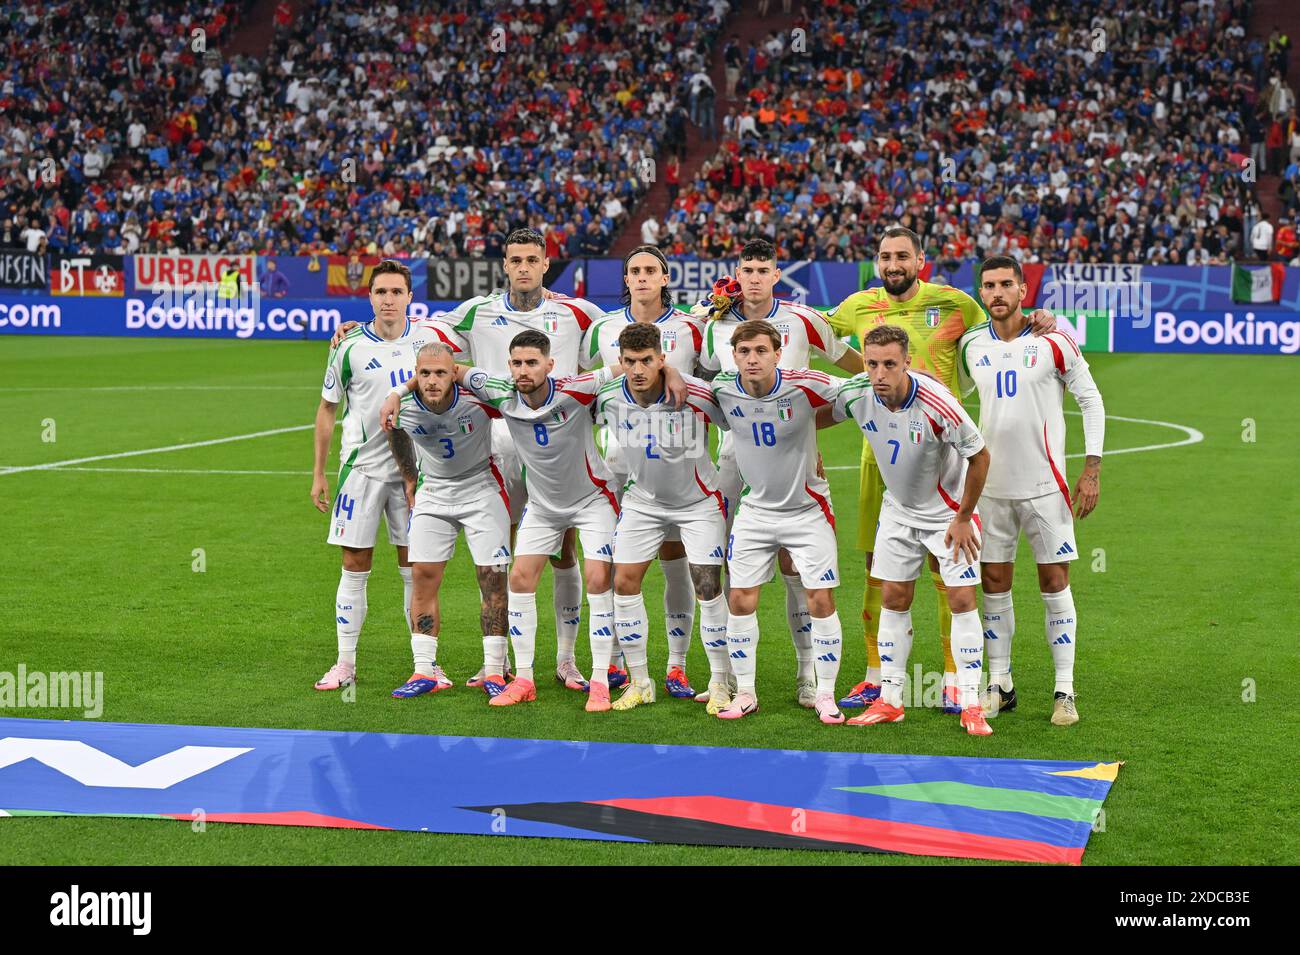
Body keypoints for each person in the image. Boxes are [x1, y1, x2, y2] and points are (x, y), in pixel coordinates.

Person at [363, 229, 608, 692]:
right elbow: (426, 349)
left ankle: (567, 659)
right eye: (514, 259)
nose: (522, 267)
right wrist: (372, 348)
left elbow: (618, 342)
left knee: (564, 550)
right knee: (501, 556)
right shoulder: (476, 311)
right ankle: (500, 661)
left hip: (556, 442)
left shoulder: (578, 312)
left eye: (531, 260)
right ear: (505, 265)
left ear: (545, 263)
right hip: (493, 440)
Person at [827, 226, 1054, 713]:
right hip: (881, 459)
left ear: (921, 260)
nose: (893, 264)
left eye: (902, 256)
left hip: (941, 454)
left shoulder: (956, 303)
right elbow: (817, 335)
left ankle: (955, 677)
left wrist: (1041, 319)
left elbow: (999, 323)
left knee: (946, 573)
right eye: (885, 256)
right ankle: (876, 677)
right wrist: (857, 368)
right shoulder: (858, 305)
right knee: (879, 571)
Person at [421, 332, 685, 711]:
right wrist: (400, 393)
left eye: (532, 363)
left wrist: (672, 370)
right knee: (520, 578)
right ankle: (525, 678)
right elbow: (452, 368)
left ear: (549, 365)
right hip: (544, 506)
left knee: (598, 579)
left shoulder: (577, 388)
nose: (523, 371)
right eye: (517, 363)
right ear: (509, 366)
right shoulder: (500, 391)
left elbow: (626, 368)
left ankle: (599, 680)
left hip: (592, 500)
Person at [697, 237, 863, 707]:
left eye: (761, 269)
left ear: (776, 274)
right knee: (730, 566)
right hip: (734, 456)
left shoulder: (804, 320)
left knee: (796, 569)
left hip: (794, 458)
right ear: (737, 273)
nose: (753, 277)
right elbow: (696, 373)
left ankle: (808, 671)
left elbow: (846, 364)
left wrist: (875, 375)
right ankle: (725, 676)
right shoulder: (713, 321)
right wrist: (705, 308)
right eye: (745, 269)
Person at [959, 256, 1105, 726]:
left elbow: (1091, 399)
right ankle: (1000, 682)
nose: (997, 293)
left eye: (1006, 284)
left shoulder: (1054, 341)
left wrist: (1092, 469)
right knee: (994, 585)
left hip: (1045, 488)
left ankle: (1065, 690)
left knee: (1054, 582)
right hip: (990, 490)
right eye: (989, 285)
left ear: (1023, 290)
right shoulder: (970, 346)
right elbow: (950, 404)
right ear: (981, 293)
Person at [831, 325, 993, 736]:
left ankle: (972, 703)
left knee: (960, 599)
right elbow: (809, 409)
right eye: (871, 364)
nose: (879, 373)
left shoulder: (940, 404)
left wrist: (962, 517)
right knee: (894, 597)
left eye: (889, 364)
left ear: (906, 362)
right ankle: (891, 700)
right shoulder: (856, 392)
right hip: (899, 511)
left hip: (947, 514)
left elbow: (980, 457)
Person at [310, 260, 445, 691]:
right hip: (362, 473)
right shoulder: (348, 347)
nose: (388, 299)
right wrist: (318, 473)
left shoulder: (429, 340)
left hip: (418, 475)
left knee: (416, 569)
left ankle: (425, 665)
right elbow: (327, 410)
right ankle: (345, 662)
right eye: (381, 292)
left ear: (409, 297)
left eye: (396, 292)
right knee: (354, 565)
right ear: (370, 298)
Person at [707, 321, 848, 725]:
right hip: (756, 512)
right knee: (740, 598)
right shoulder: (722, 388)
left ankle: (824, 693)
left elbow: (855, 392)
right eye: (745, 351)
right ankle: (746, 692)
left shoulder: (806, 383)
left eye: (761, 351)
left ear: (778, 352)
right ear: (734, 356)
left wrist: (809, 425)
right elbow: (683, 385)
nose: (753, 359)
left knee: (819, 600)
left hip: (808, 510)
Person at [584, 246, 710, 698]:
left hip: (679, 462)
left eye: (649, 270)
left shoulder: (694, 328)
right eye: (633, 270)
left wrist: (675, 371)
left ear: (664, 276)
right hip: (618, 464)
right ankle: (615, 661)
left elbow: (709, 384)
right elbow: (587, 383)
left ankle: (676, 665)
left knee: (678, 564)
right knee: (618, 567)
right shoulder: (601, 328)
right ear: (626, 278)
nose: (641, 277)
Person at [596, 321, 734, 711]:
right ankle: (640, 682)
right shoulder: (606, 397)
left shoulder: (695, 393)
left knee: (708, 588)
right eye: (629, 362)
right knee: (623, 584)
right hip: (643, 501)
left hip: (699, 503)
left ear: (661, 359)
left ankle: (721, 682)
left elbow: (740, 415)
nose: (637, 370)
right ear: (619, 362)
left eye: (646, 361)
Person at [385, 343, 511, 700]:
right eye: (424, 373)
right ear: (416, 374)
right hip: (434, 494)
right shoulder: (404, 407)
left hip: (482, 489)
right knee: (422, 576)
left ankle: (495, 669)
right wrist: (409, 477)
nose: (432, 380)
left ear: (454, 372)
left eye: (441, 372)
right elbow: (393, 431)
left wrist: (400, 388)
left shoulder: (476, 398)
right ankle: (424, 671)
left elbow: (511, 395)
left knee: (492, 578)